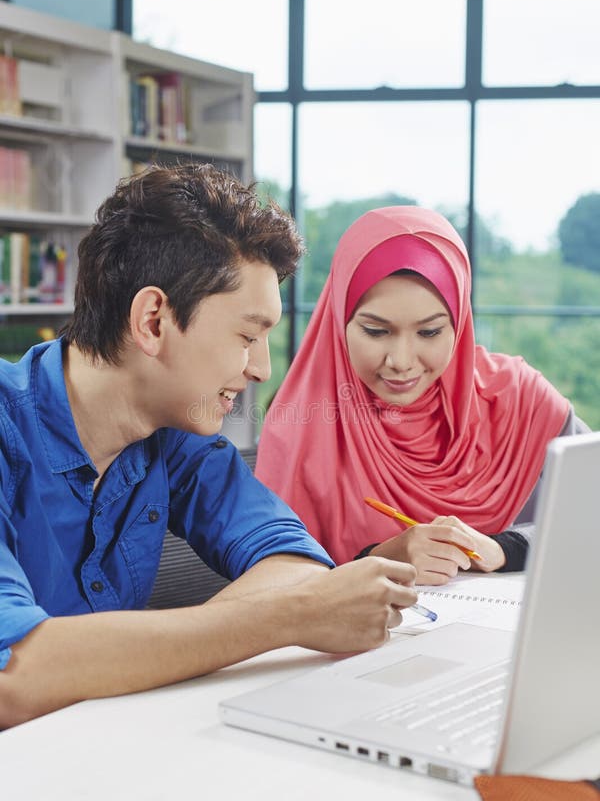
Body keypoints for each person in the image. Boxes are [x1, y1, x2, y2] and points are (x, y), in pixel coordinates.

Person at [0, 165, 419, 729]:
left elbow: (292, 561)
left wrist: (158, 656)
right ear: (153, 321)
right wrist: (286, 620)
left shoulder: (174, 432)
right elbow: (15, 680)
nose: (262, 369)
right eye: (247, 336)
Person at [256, 206, 588, 583]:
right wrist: (382, 556)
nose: (401, 361)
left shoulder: (522, 401)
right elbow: (274, 590)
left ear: (460, 325)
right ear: (339, 320)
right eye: (376, 331)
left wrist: (506, 547)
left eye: (429, 333)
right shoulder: (300, 425)